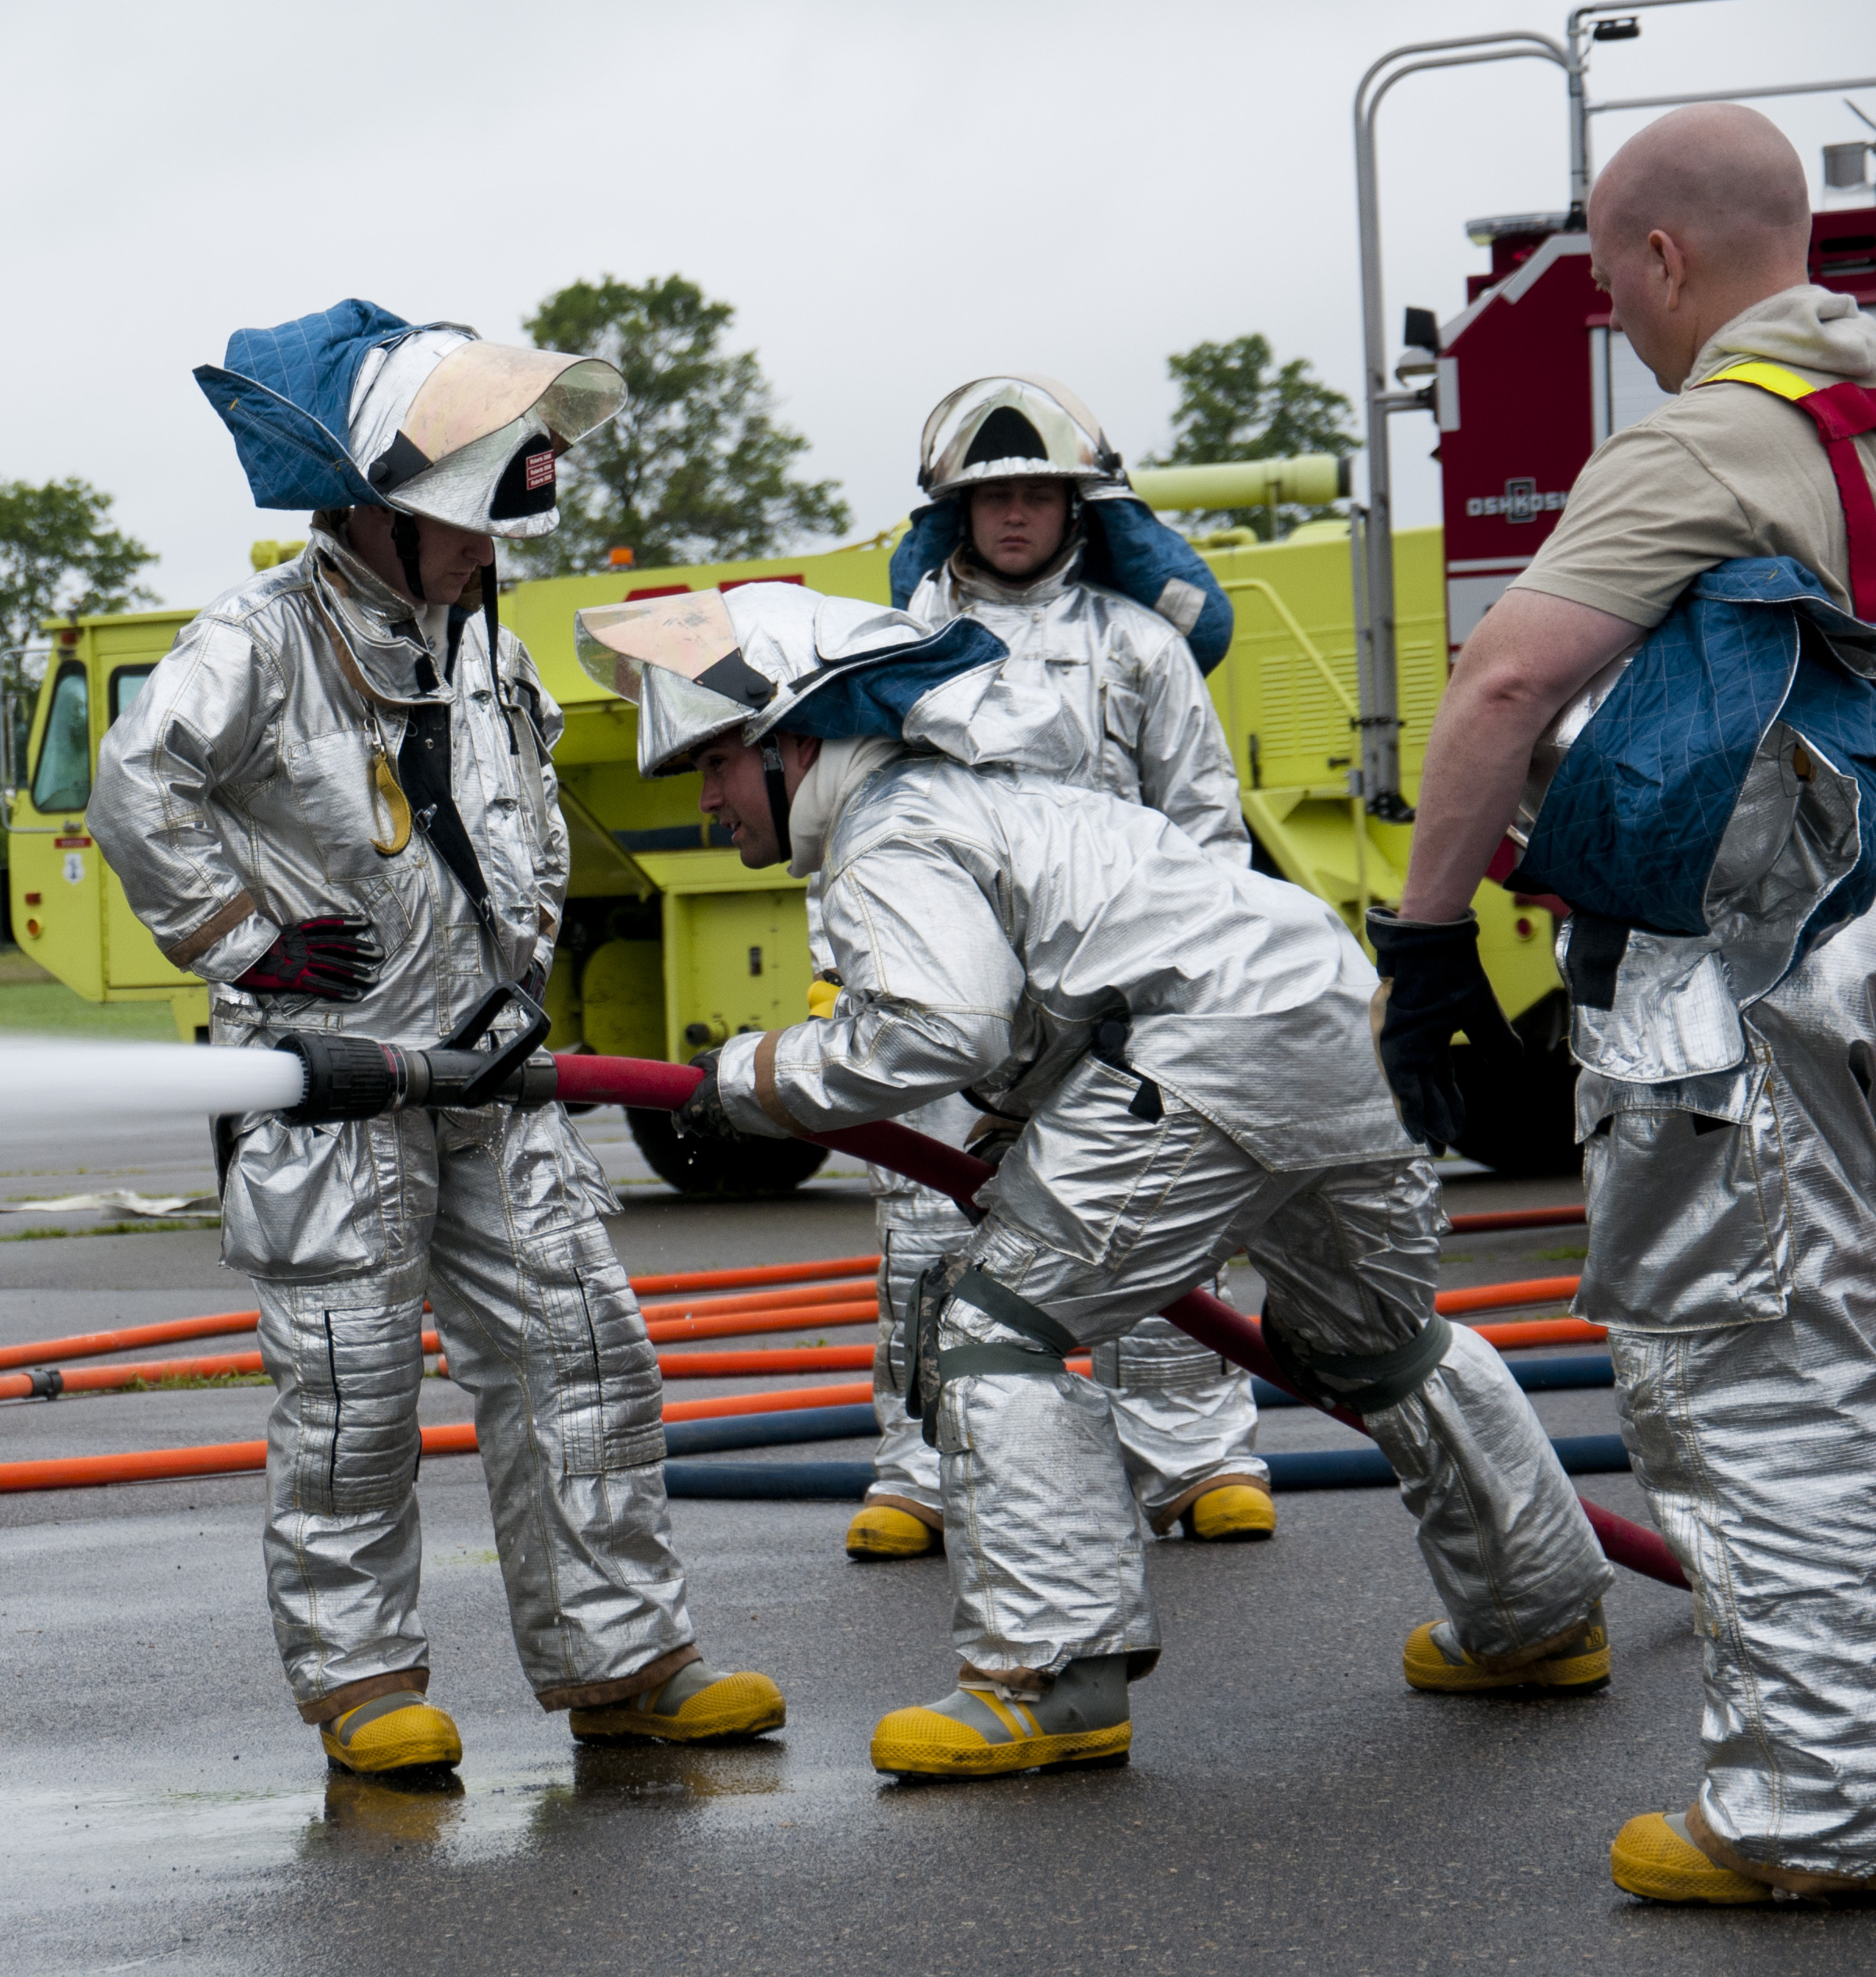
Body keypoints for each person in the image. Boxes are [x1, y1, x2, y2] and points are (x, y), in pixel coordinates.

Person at [576, 580, 1614, 1779]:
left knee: (991, 1334)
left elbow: (936, 1029)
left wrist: (749, 1077)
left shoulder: (890, 834)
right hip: (1327, 1025)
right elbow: (1068, 991)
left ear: (792, 739)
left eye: (714, 763)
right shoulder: (1005, 801)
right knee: (1380, 1341)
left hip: (1203, 1056)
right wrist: (1017, 1130)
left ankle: (1050, 1677)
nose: (706, 801)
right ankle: (1537, 1620)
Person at [91, 301, 785, 1776]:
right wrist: (246, 948)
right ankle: (363, 1687)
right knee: (350, 1391)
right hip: (331, 1087)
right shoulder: (261, 641)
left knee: (585, 1352)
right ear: (374, 516)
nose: (488, 549)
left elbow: (524, 818)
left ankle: (625, 1659)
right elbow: (137, 790)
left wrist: (521, 979)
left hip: (492, 1071)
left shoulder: (484, 645)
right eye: (463, 522)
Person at [1375, 105, 1876, 1904]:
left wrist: (1427, 954)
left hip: (1780, 978)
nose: (1615, 318)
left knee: (1755, 1385)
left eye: (1606, 285)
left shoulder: (1707, 441)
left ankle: (1808, 1817)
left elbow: (1506, 683)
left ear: (1661, 259)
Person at [840, 377, 1269, 1567]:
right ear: (955, 513)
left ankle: (1198, 1457)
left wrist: (1196, 979)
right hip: (958, 997)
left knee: (1154, 1225)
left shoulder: (1141, 647)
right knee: (927, 1227)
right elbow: (855, 820)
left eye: (1036, 491)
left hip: (1119, 999)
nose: (1015, 513)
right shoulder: (897, 656)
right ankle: (923, 1470)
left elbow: (1204, 819)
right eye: (992, 496)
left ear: (1078, 506)